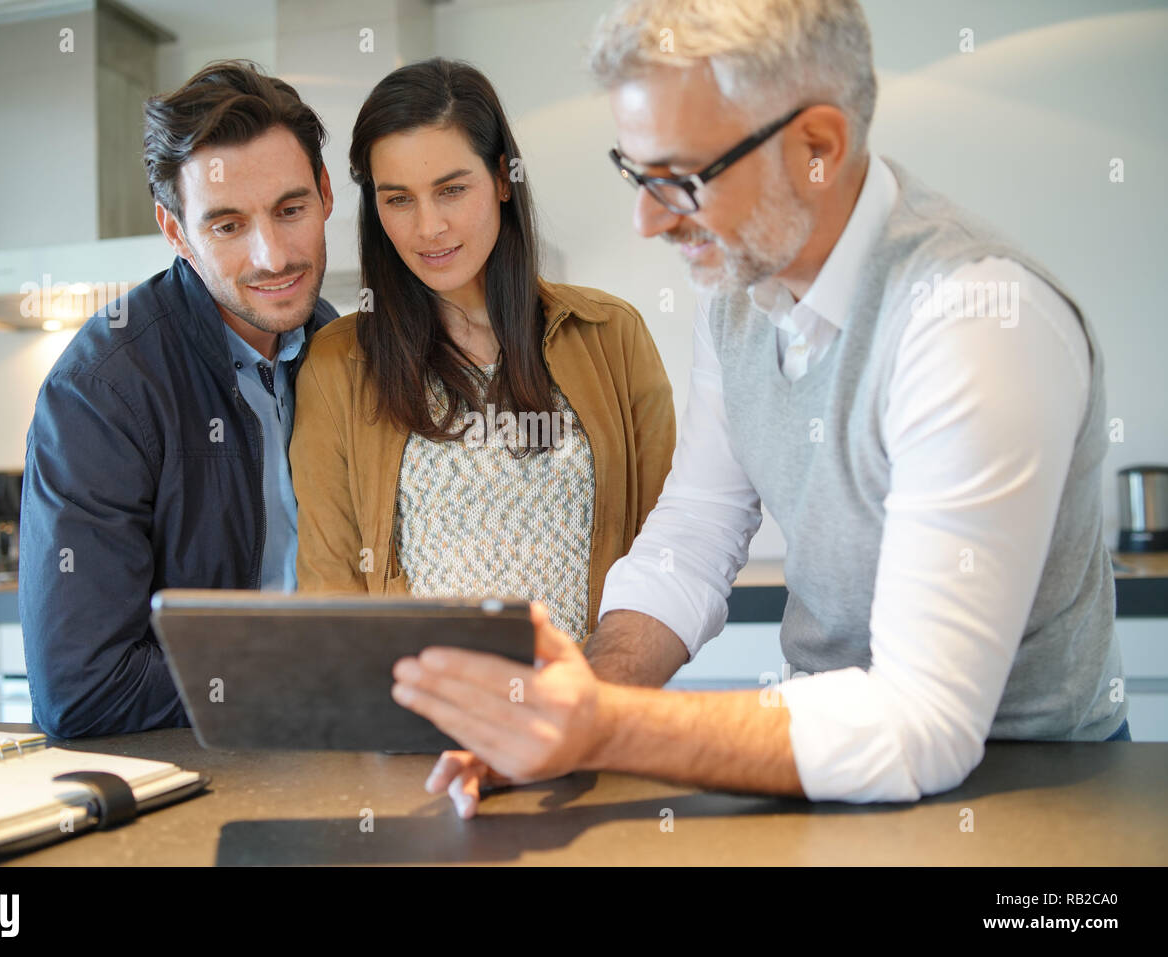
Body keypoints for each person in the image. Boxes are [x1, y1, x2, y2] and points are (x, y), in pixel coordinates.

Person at [391, 0, 1128, 818]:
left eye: (680, 178)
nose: (649, 220)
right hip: (820, 772)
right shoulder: (741, 293)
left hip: (1030, 799)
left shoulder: (975, 317)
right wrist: (564, 706)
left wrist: (601, 726)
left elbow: (924, 723)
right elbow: (695, 533)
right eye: (637, 174)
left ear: (817, 147)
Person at [291, 58, 675, 646]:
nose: (429, 227)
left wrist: (604, 703)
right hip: (416, 723)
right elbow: (331, 590)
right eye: (398, 199)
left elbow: (667, 552)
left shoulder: (610, 336)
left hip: (589, 715)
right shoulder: (336, 367)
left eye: (451, 190)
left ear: (501, 178)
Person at [20, 61, 338, 737]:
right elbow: (83, 688)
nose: (273, 255)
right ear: (175, 230)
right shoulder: (102, 390)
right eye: (227, 225)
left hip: (353, 751)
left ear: (326, 194)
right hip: (192, 782)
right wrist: (308, 673)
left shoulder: (348, 352)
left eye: (291, 209)